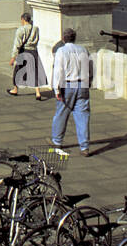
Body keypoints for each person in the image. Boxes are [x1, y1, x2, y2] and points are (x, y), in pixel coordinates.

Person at [51, 28, 92, 156]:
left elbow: (58, 71)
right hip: (83, 85)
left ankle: (57, 141)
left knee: (62, 113)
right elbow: (90, 68)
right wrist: (89, 82)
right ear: (74, 38)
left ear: (63, 38)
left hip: (68, 85)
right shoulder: (83, 50)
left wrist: (56, 89)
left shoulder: (61, 51)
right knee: (83, 116)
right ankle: (84, 146)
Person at [8, 13, 41, 99]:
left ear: (23, 19)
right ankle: (38, 93)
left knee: (18, 70)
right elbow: (37, 40)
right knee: (35, 71)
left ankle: (15, 89)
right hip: (33, 51)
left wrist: (13, 57)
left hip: (24, 51)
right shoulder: (36, 29)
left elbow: (17, 44)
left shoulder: (21, 30)